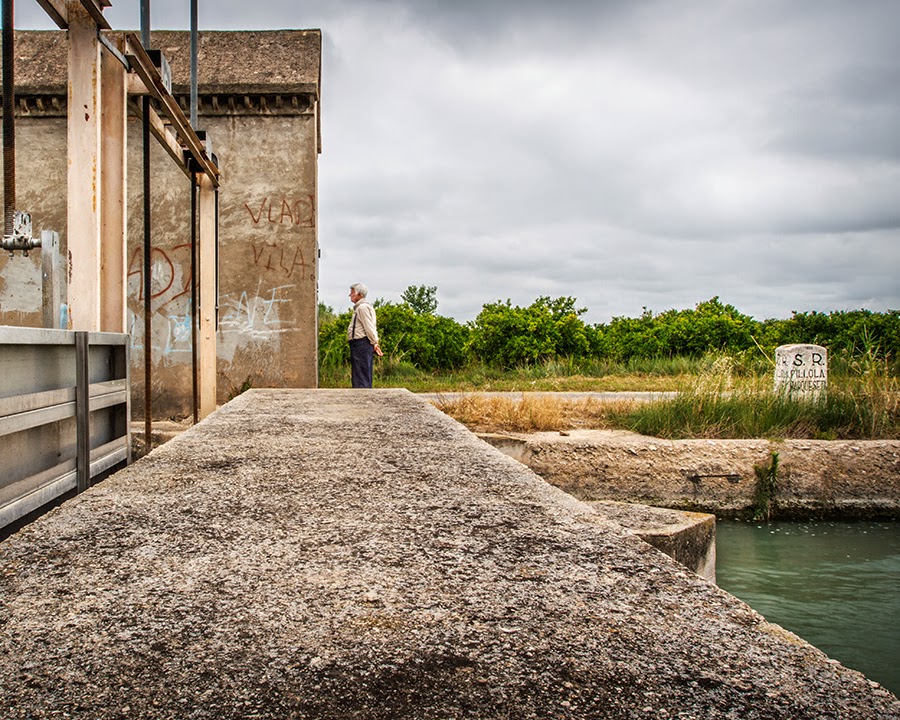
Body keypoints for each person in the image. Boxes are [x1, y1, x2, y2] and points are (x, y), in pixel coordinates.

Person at [347, 283, 383, 388]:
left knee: (361, 373)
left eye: (353, 292)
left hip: (361, 343)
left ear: (360, 294)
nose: (350, 295)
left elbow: (369, 327)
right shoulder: (360, 307)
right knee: (360, 371)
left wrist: (375, 342)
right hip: (360, 344)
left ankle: (362, 396)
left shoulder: (362, 308)